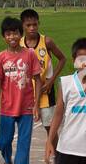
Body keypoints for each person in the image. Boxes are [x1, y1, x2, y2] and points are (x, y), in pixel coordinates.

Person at [0, 15, 43, 164]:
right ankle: (7, 162)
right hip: (6, 108)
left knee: (24, 144)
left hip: (26, 108)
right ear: (3, 36)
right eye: (8, 34)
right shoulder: (0, 58)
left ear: (21, 34)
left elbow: (37, 79)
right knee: (3, 141)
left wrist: (36, 104)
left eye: (15, 33)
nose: (12, 37)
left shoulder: (29, 55)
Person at [20, 8, 66, 145]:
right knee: (25, 129)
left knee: (49, 128)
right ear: (22, 25)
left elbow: (62, 59)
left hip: (46, 92)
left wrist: (51, 81)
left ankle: (57, 159)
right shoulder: (19, 44)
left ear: (38, 23)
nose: (32, 28)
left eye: (35, 24)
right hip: (27, 93)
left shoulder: (47, 42)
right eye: (28, 25)